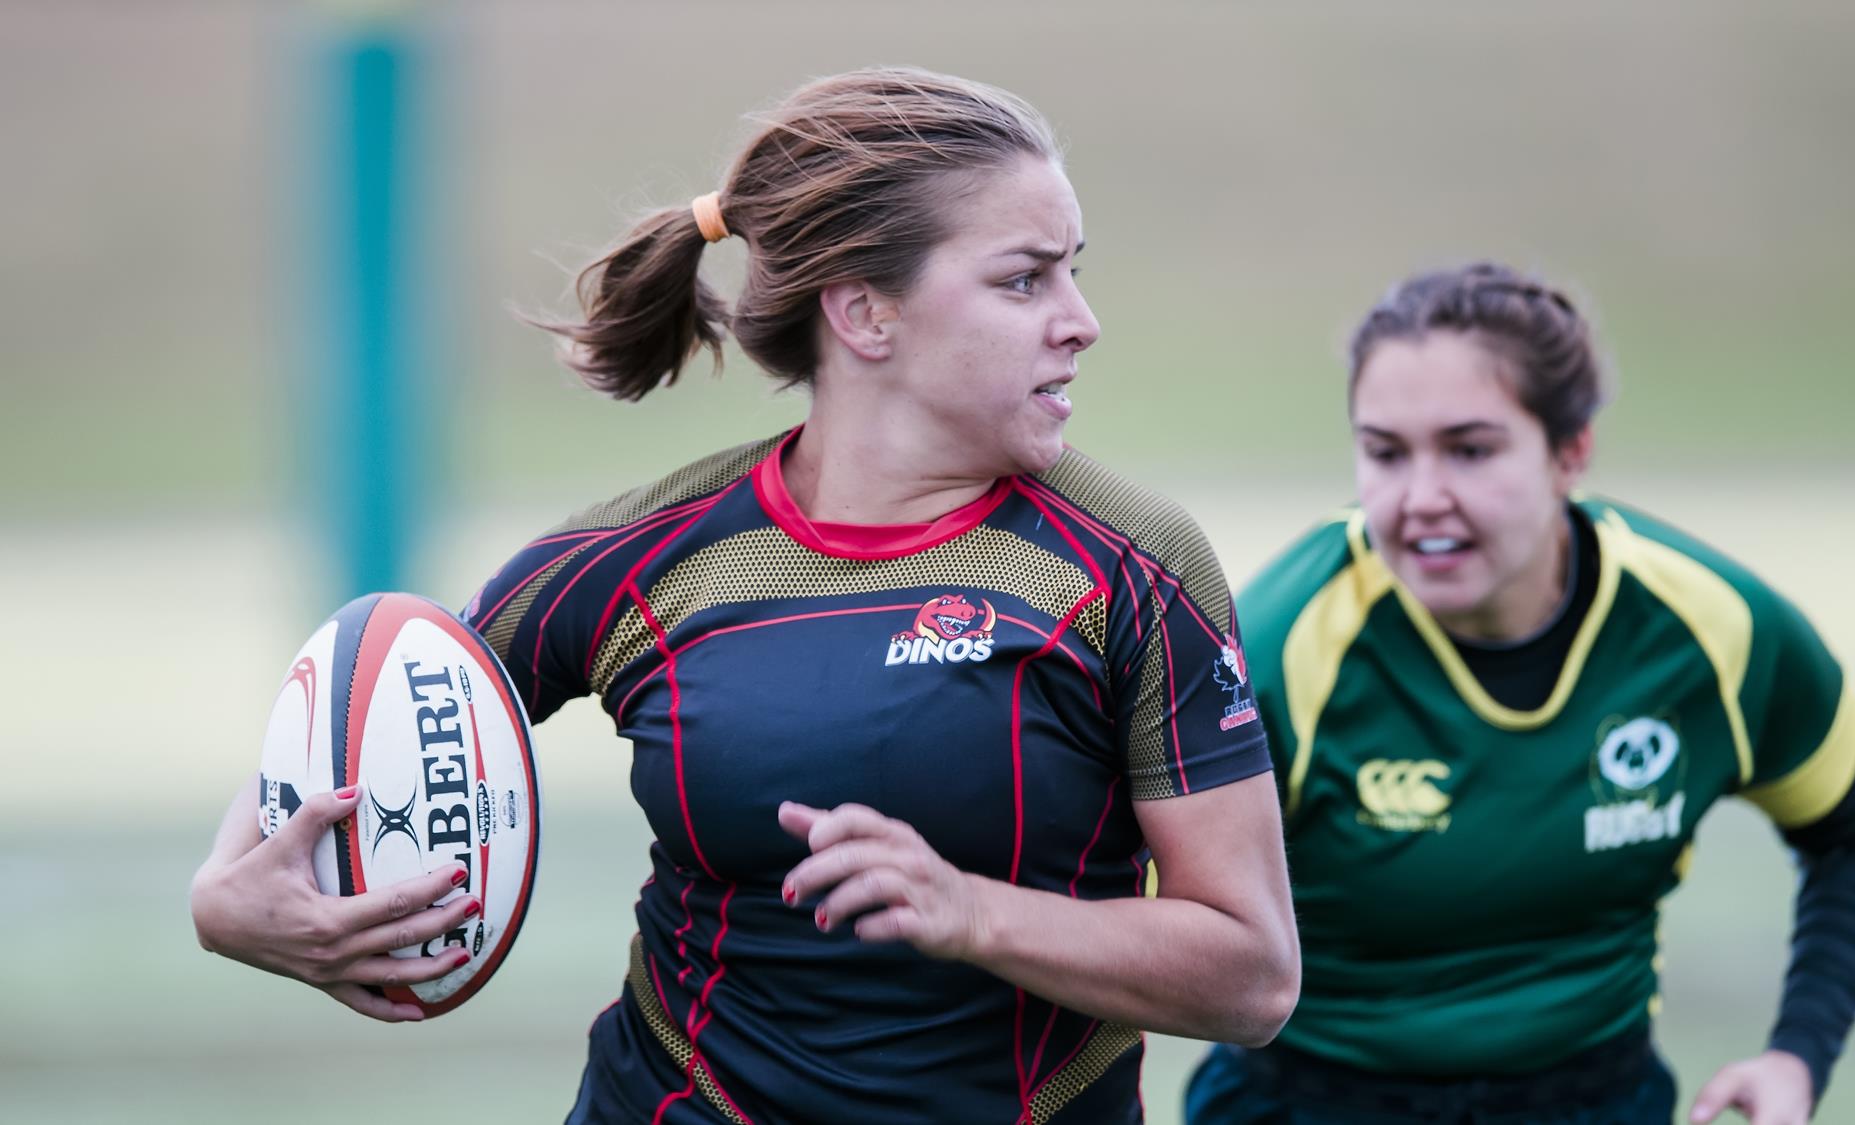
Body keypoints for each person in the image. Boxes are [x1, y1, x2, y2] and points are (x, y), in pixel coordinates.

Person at [190, 68, 1299, 1124]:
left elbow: (1250, 978)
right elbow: (373, 702)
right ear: (864, 315)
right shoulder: (645, 559)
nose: (1078, 318)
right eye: (1024, 278)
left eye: (1073, 270)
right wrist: (228, 900)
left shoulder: (1132, 566)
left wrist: (973, 915)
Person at [1185, 263, 1855, 1125]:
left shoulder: (1715, 631)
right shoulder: (1275, 644)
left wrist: (1798, 1055)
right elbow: (1149, 909)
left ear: (1572, 452)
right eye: (1384, 452)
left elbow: (1853, 842)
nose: (1420, 499)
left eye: (1471, 449)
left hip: (1596, 1098)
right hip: (1308, 1102)